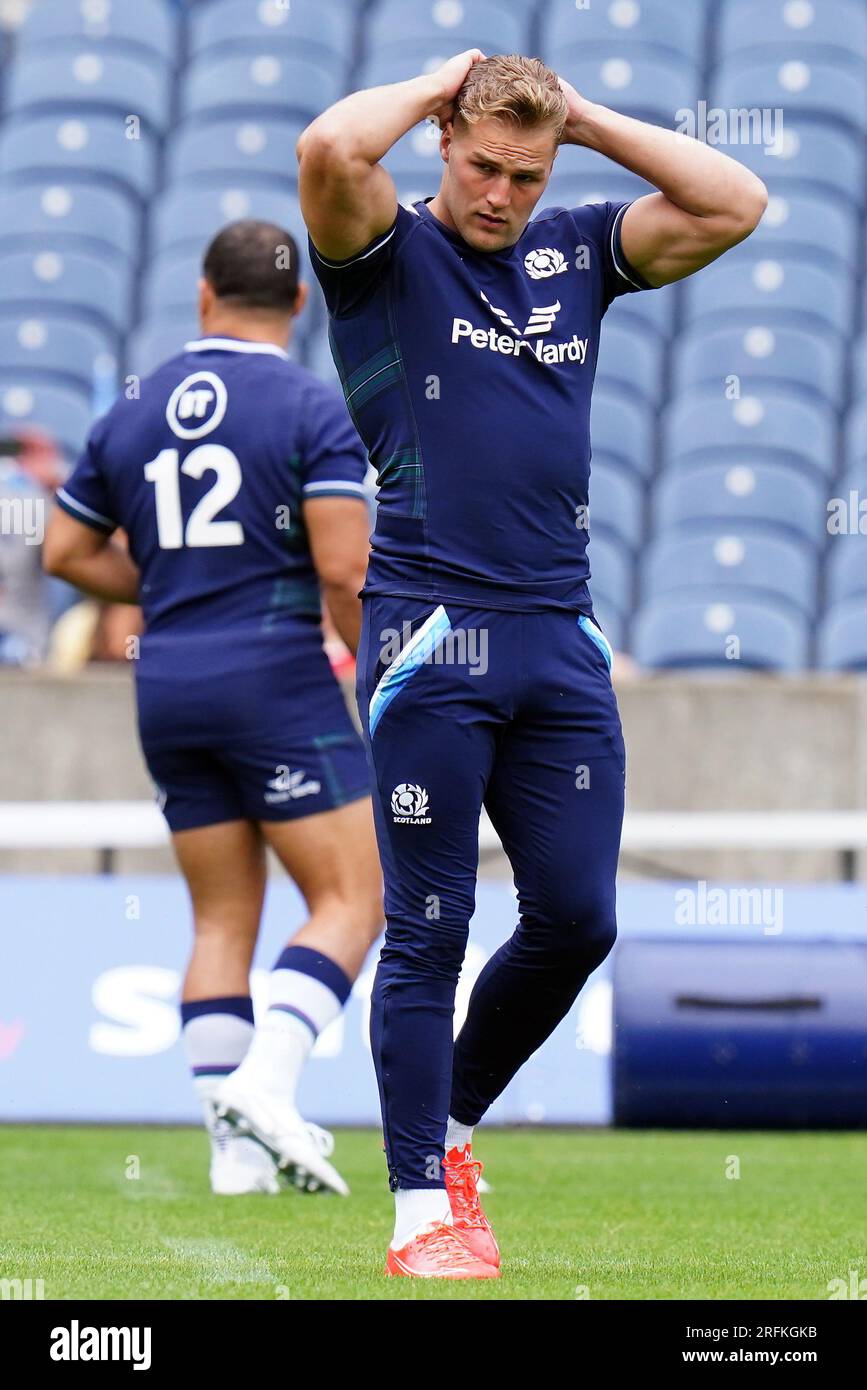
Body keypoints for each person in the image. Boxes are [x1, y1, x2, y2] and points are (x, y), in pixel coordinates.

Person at [297, 51, 767, 1275]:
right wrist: (444, 76)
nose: (501, 194)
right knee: (429, 927)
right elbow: (328, 149)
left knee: (578, 920)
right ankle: (416, 1216)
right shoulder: (384, 254)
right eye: (481, 165)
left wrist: (586, 122)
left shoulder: (576, 251)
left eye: (524, 173)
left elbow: (735, 203)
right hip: (431, 633)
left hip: (562, 638)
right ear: (444, 142)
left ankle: (449, 1132)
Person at [43, 220, 383, 1197]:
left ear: (203, 295)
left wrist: (165, 580)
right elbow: (344, 566)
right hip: (273, 676)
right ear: (301, 306)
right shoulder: (312, 407)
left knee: (222, 921)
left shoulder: (133, 409)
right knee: (357, 899)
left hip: (168, 683)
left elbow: (65, 552)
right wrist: (374, 666)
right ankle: (270, 1085)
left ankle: (235, 1160)